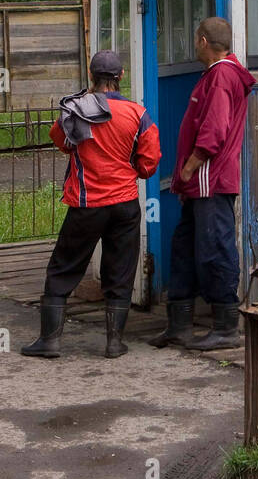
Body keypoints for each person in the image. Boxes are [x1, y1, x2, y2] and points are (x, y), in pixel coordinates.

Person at [22, 51, 161, 359]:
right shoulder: (139, 114)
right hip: (125, 204)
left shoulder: (77, 109)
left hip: (87, 204)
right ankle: (114, 342)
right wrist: (130, 169)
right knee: (121, 270)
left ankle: (50, 341)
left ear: (91, 75)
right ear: (121, 75)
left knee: (64, 267)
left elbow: (60, 140)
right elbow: (150, 164)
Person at [151, 16, 256, 351]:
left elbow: (214, 130)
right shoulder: (217, 74)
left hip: (210, 178)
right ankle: (179, 325)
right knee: (184, 247)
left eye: (196, 39)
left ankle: (226, 327)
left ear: (202, 41)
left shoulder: (223, 75)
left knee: (215, 249)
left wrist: (191, 165)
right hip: (200, 182)